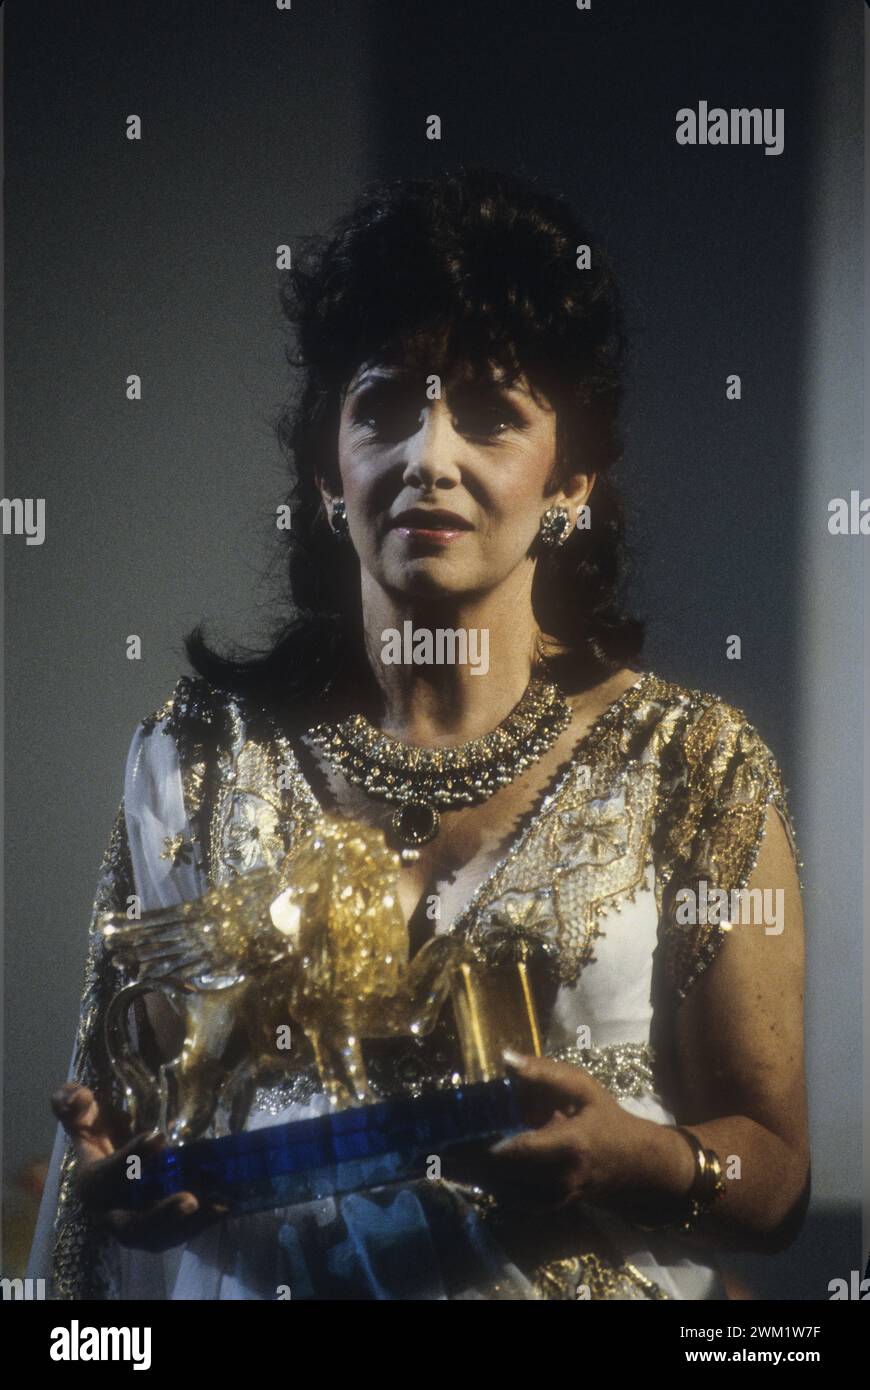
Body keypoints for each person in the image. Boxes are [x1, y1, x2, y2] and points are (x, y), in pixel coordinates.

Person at [28, 166, 809, 1300]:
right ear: (328, 468)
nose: (428, 456)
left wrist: (632, 1155)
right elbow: (124, 1121)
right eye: (386, 402)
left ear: (573, 478)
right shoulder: (197, 758)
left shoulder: (692, 765)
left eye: (491, 413)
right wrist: (121, 1176)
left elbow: (776, 1179)